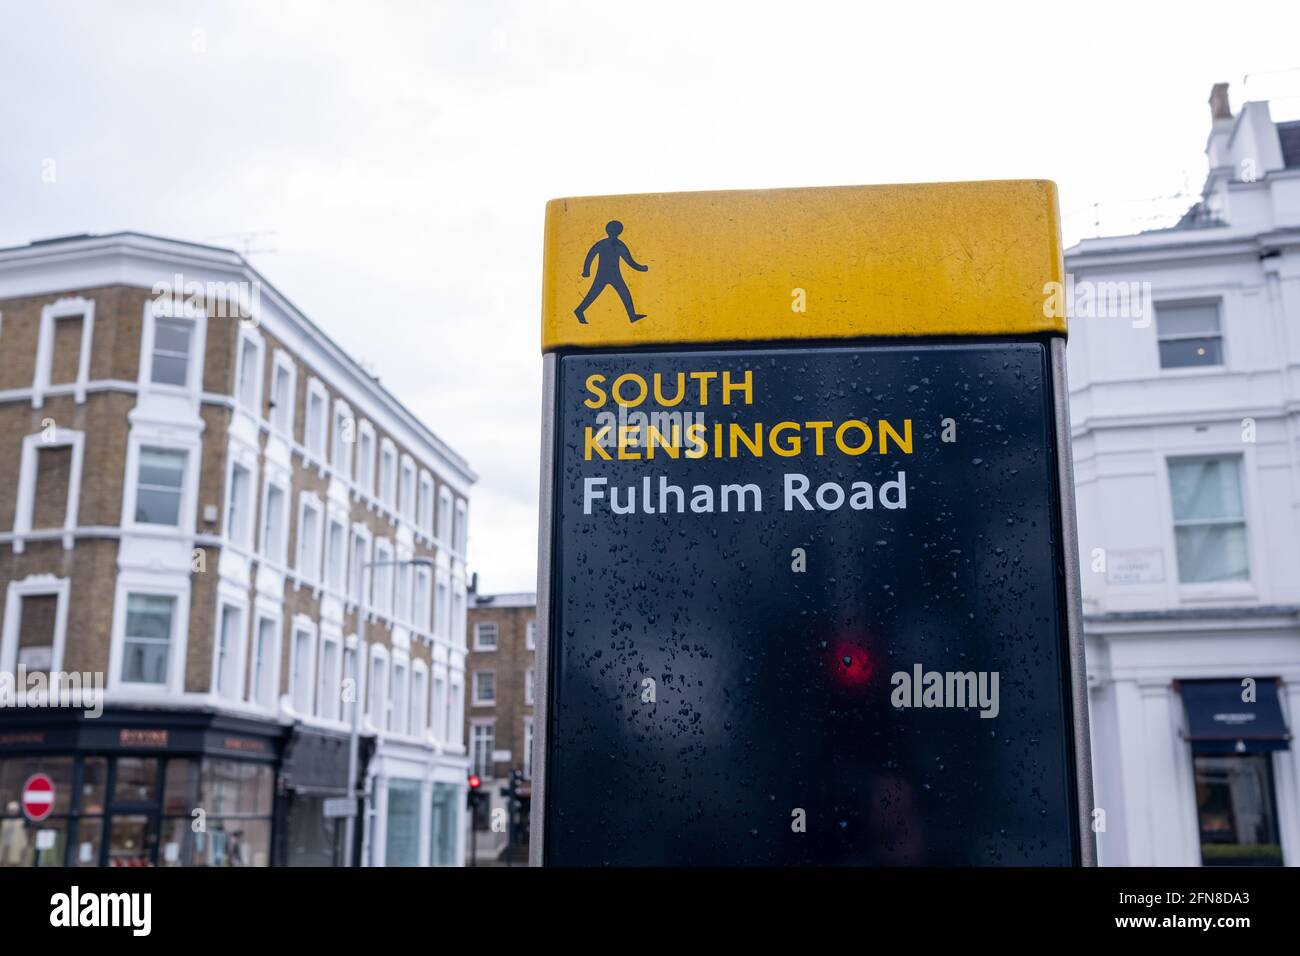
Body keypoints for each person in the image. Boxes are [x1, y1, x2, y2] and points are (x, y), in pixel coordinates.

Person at [575, 220, 648, 324]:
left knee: (625, 294)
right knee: (593, 294)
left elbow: (629, 260)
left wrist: (641, 268)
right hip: (604, 275)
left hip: (614, 275)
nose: (614, 233)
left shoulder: (616, 244)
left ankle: (632, 316)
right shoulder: (608, 244)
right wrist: (586, 271)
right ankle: (579, 310)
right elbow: (591, 255)